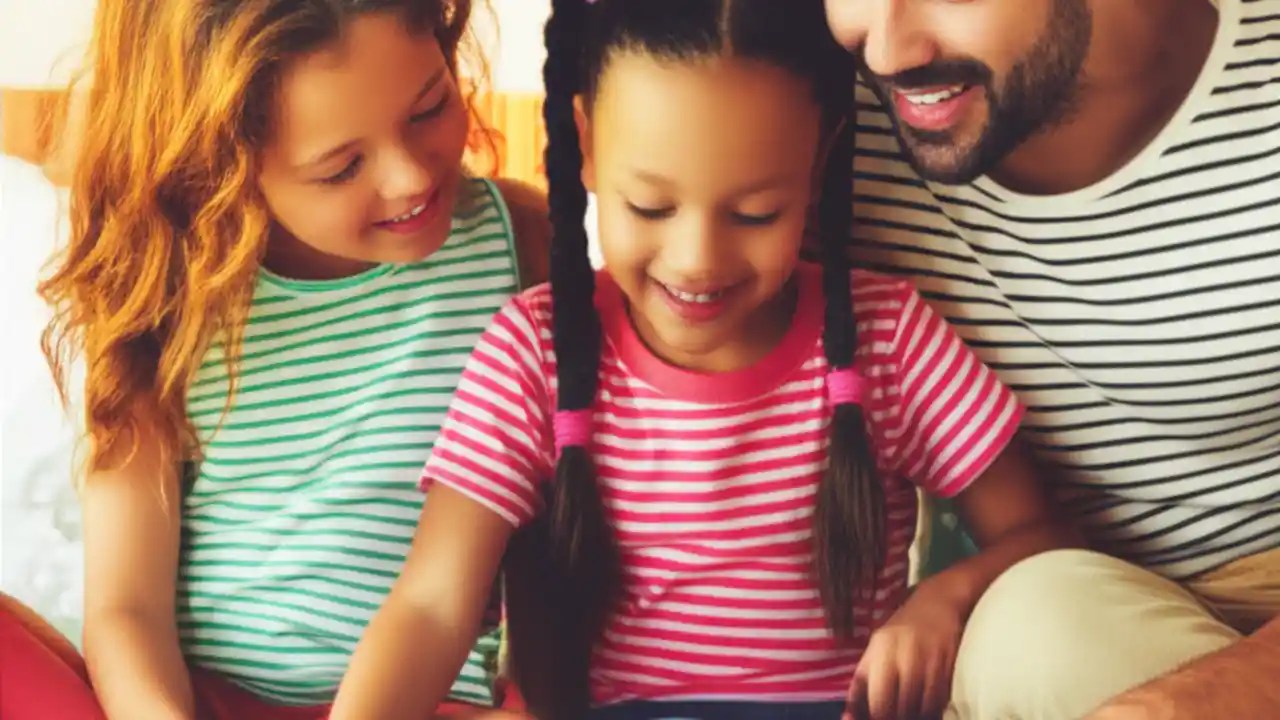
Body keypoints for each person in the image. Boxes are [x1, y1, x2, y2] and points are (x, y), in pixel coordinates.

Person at [328, 1, 1080, 719]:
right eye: (650, 208)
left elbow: (1040, 538)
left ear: (819, 163)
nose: (697, 262)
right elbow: (430, 606)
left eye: (755, 214)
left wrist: (945, 600)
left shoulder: (887, 337)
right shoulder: (534, 353)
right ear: (586, 147)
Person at [1, 0, 549, 718]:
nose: (410, 176)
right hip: (205, 703)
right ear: (220, 165)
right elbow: (126, 609)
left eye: (429, 106)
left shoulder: (521, 240)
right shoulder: (164, 302)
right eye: (342, 166)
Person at [822, 0, 1280, 717]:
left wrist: (1192, 700)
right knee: (1033, 625)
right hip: (1053, 616)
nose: (885, 49)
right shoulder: (814, 124)